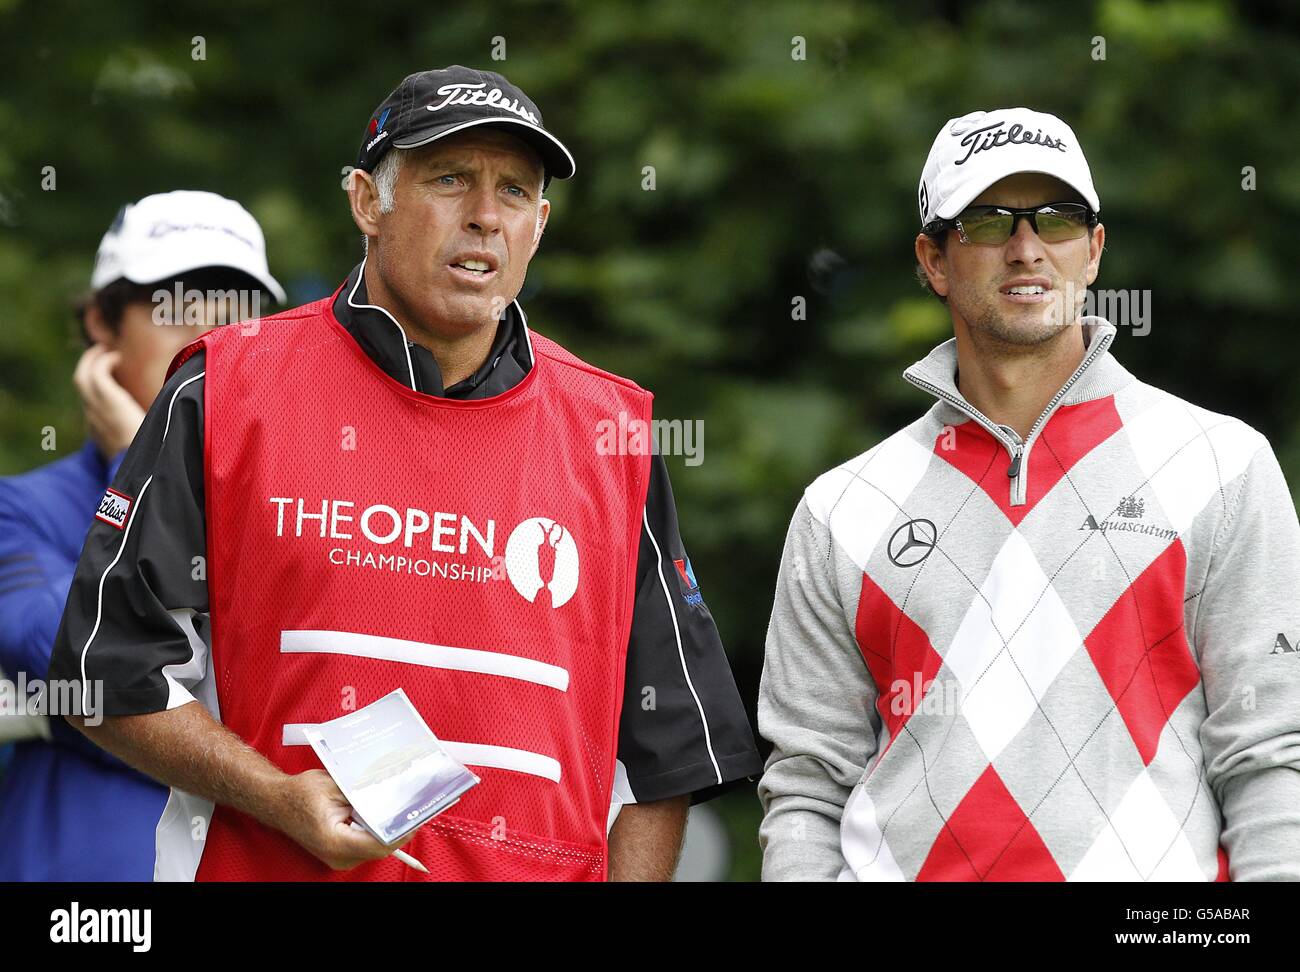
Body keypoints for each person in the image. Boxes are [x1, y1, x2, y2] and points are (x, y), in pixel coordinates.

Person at [49, 65, 762, 882]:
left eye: (516, 191)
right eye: (449, 180)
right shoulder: (224, 388)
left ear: (541, 224)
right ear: (366, 201)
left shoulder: (612, 432)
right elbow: (105, 678)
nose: (486, 218)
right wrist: (279, 798)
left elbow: (667, 751)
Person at [757, 107, 1300, 881]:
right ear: (934, 260)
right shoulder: (842, 509)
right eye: (986, 223)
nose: (1026, 248)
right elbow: (807, 788)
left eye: (1057, 219)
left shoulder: (1223, 466)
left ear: (1095, 250)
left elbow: (1272, 754)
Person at [0, 190, 283, 880]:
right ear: (101, 321)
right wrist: (150, 472)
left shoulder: (300, 511)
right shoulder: (19, 508)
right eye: (178, 309)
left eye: (239, 313)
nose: (207, 340)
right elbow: (93, 679)